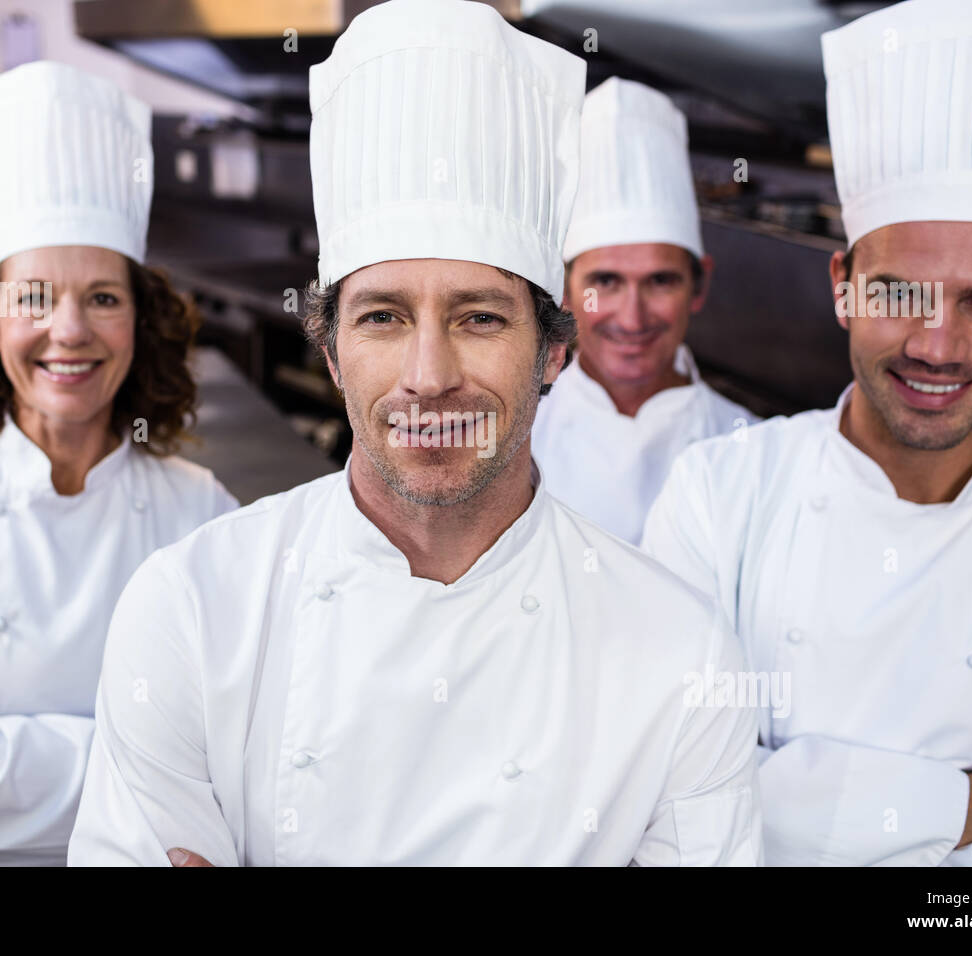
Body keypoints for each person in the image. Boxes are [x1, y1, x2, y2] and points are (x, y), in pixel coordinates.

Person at [68, 0, 761, 867]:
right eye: (384, 317)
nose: (428, 376)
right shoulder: (190, 611)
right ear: (329, 350)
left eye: (477, 318)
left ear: (551, 352)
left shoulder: (682, 657)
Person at [642, 0, 972, 865]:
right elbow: (667, 807)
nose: (936, 345)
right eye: (898, 293)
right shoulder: (718, 495)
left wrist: (779, 786)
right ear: (844, 283)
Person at [0, 61, 238, 866]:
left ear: (139, 321)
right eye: (32, 298)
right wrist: (153, 762)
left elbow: (241, 760)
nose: (69, 331)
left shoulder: (204, 515)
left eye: (102, 296)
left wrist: (0, 734)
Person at [531, 77, 756, 545]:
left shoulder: (752, 448)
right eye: (606, 282)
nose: (632, 319)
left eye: (659, 281)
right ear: (565, 289)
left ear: (700, 284)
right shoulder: (515, 442)